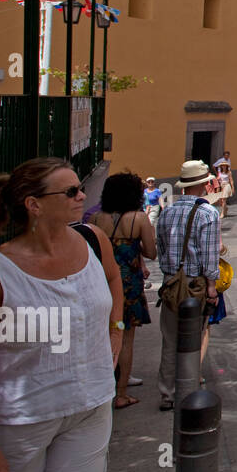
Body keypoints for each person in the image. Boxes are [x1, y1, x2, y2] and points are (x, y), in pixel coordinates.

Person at [0, 158, 123, 472]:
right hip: (20, 422)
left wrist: (117, 329)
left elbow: (113, 278)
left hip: (91, 409)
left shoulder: (93, 239)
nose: (82, 196)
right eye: (70, 191)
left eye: (80, 188)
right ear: (34, 205)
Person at [154, 160, 220, 411]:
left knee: (170, 340)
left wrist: (170, 273)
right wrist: (211, 287)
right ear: (203, 184)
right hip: (194, 285)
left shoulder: (166, 212)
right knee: (193, 338)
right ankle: (188, 389)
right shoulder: (208, 213)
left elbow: (159, 249)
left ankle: (167, 393)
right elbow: (209, 255)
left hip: (170, 283)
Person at [90, 172, 157, 410]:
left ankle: (100, 389)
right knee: (125, 337)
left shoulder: (96, 219)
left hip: (101, 284)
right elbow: (151, 252)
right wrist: (133, 245)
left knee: (101, 336)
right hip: (128, 287)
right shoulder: (138, 219)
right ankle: (121, 393)